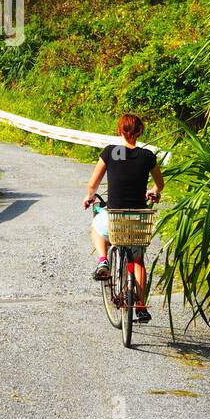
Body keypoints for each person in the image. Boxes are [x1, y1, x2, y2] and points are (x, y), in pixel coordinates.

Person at [84, 113, 164, 322]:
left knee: (95, 228)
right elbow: (159, 184)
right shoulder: (147, 156)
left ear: (119, 131)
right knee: (138, 261)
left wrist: (90, 196)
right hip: (138, 220)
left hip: (114, 216)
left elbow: (93, 184)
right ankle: (141, 306)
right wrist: (154, 192)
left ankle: (103, 261)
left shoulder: (112, 152)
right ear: (140, 132)